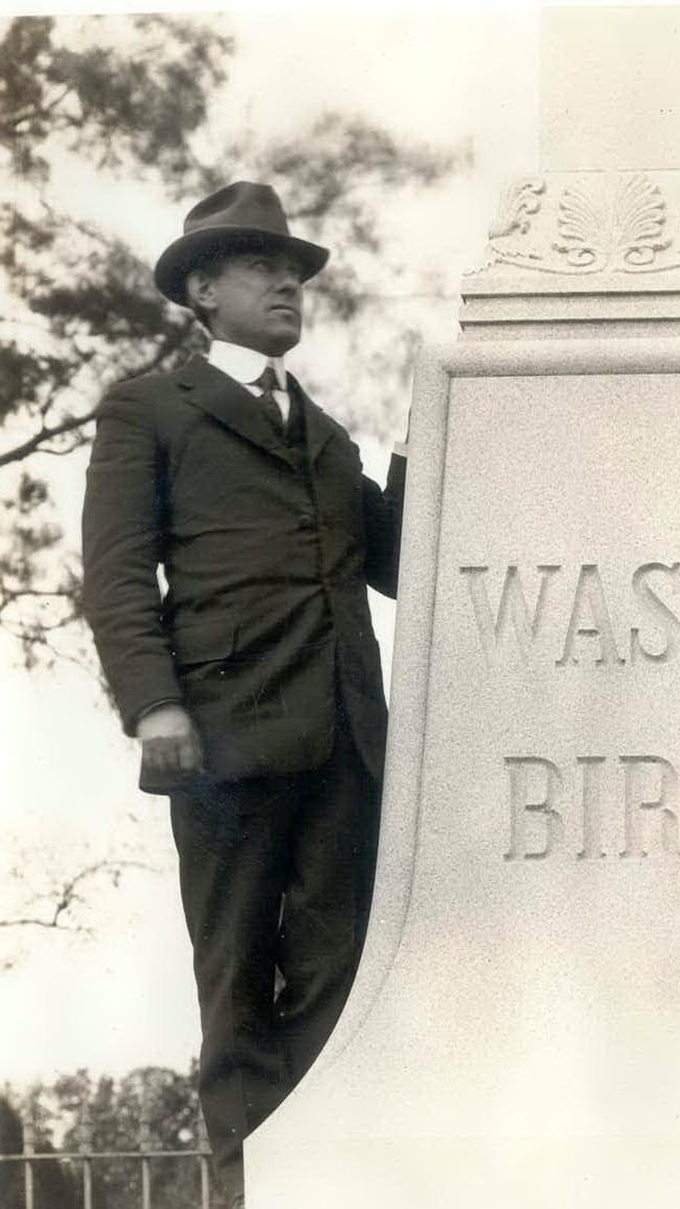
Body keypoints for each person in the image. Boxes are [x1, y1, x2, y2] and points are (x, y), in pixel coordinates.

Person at [80, 181, 406, 1207]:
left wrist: (458, 442)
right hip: (220, 741)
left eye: (295, 270)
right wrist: (154, 706)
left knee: (338, 983)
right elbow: (119, 572)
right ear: (203, 290)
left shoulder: (327, 433)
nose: (287, 285)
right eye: (263, 265)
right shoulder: (149, 409)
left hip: (347, 743)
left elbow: (402, 558)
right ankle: (245, 1193)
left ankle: (328, 1185)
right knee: (235, 990)